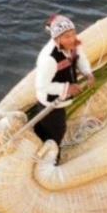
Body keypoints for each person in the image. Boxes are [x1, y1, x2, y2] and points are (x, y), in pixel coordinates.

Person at [34, 14, 95, 156]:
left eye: (73, 34)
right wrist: (67, 88)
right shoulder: (49, 59)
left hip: (63, 97)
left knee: (47, 127)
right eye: (67, 37)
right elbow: (41, 85)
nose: (72, 39)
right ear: (57, 39)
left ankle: (41, 139)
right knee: (57, 130)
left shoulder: (73, 44)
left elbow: (81, 58)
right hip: (50, 102)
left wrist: (88, 72)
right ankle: (53, 156)